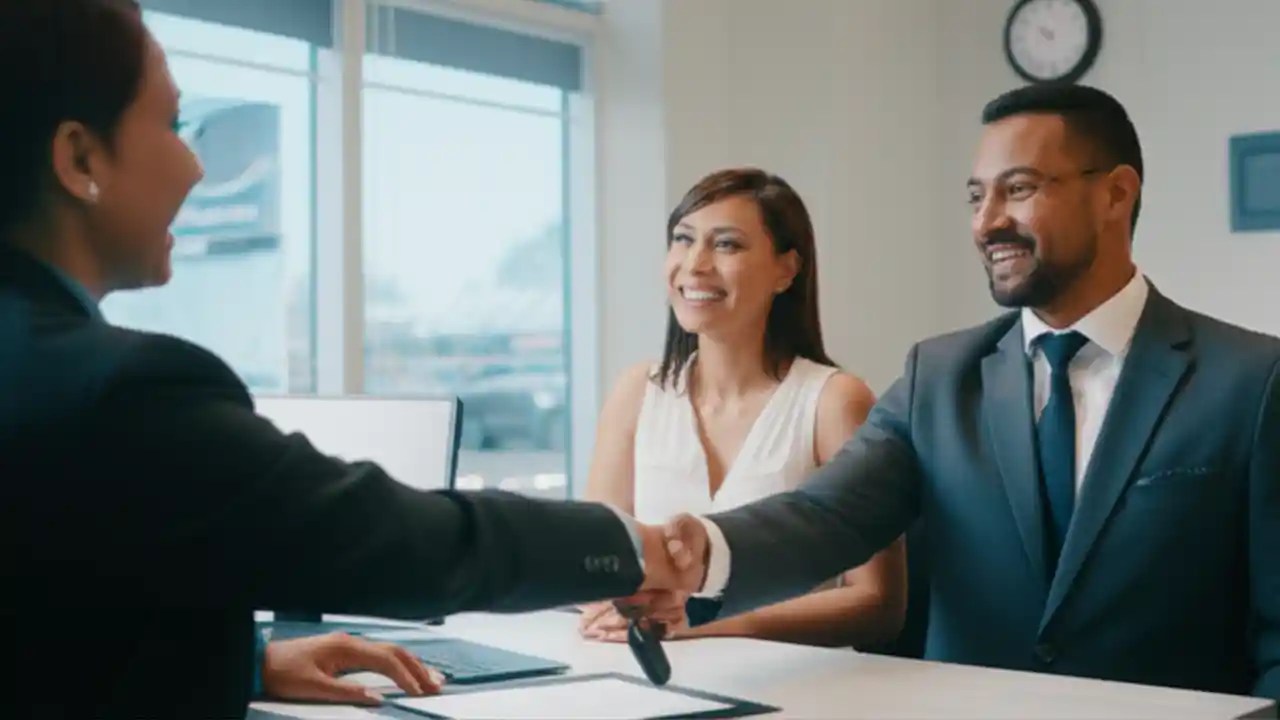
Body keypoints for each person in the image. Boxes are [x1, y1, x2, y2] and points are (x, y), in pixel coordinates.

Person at [0, 2, 693, 717]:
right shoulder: (121, 390)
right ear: (79, 158)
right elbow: (397, 541)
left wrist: (249, 663)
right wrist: (627, 546)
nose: (197, 166)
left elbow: (48, 615)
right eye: (175, 125)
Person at [650, 83, 1280, 700]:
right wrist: (702, 549)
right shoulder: (938, 376)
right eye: (977, 196)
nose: (988, 221)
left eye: (1019, 189)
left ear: (1115, 193)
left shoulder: (1251, 381)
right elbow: (827, 515)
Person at [579, 168, 907, 649]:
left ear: (786, 270)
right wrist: (609, 604)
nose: (695, 264)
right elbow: (592, 568)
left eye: (726, 244)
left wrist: (705, 622)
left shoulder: (835, 401)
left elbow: (878, 603)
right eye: (683, 239)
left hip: (802, 682)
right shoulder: (636, 393)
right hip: (655, 676)